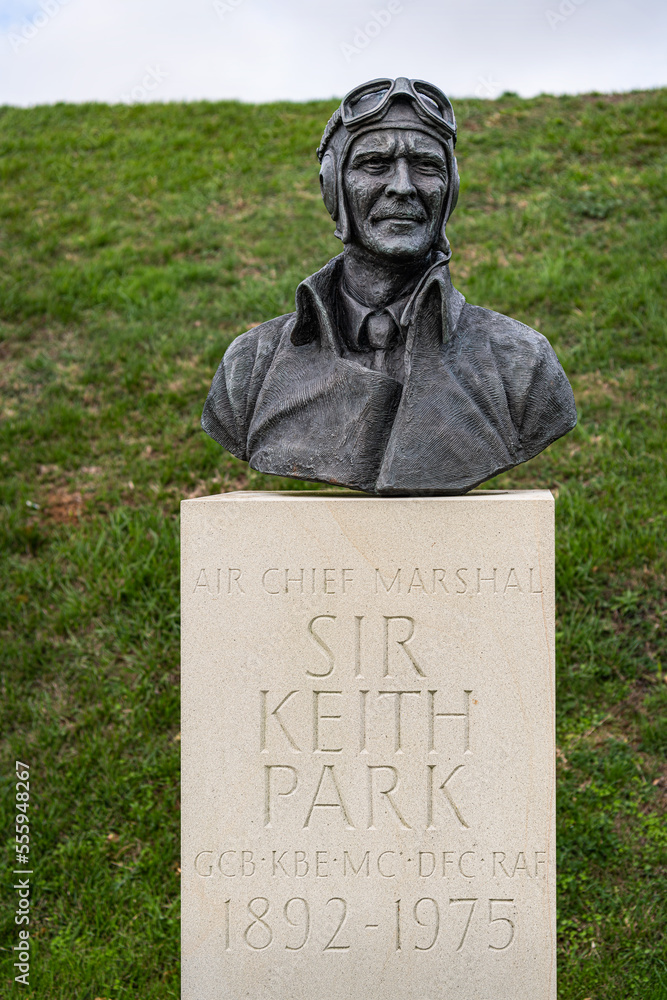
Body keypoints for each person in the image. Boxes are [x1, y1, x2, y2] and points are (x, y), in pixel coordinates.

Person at [202, 77, 576, 494]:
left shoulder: (521, 363)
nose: (402, 186)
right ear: (333, 187)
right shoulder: (251, 367)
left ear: (450, 189)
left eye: (426, 166)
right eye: (375, 164)